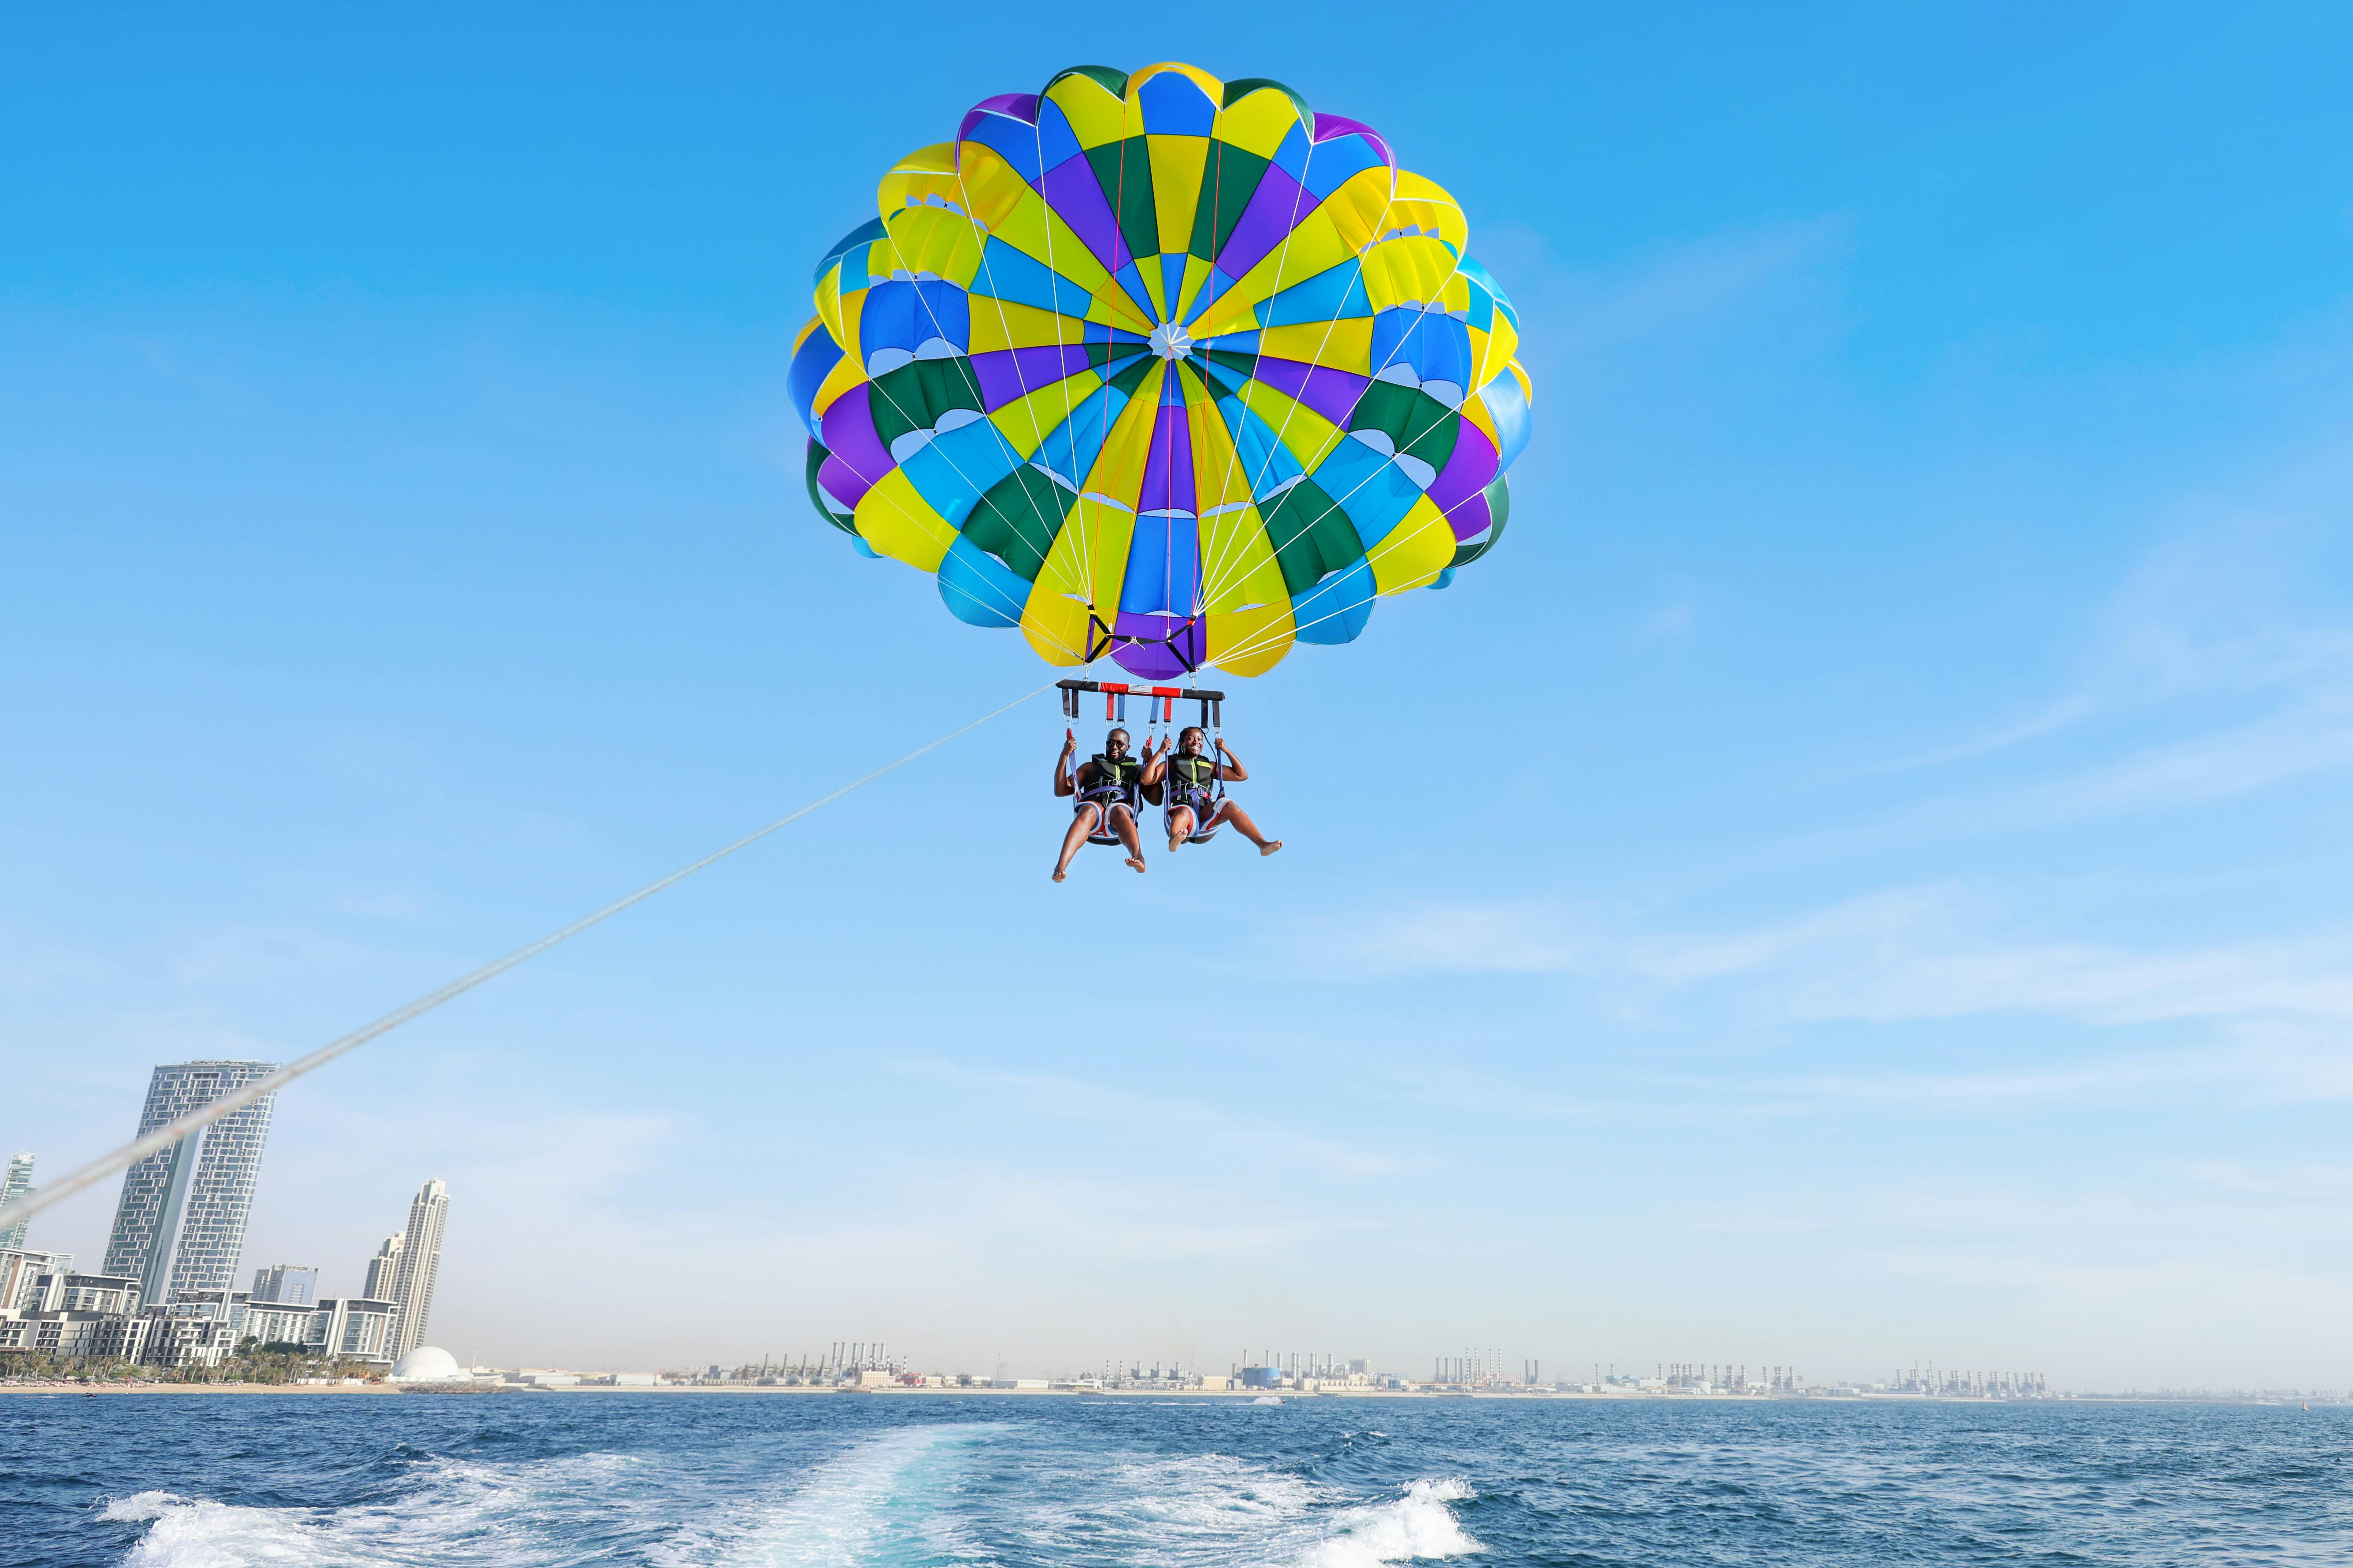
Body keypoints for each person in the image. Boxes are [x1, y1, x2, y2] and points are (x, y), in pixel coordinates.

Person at [1142, 726, 1282, 858]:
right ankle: (1174, 842)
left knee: (1229, 805)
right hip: (1181, 817)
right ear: (1182, 743)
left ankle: (1263, 845)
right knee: (1185, 812)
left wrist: (1226, 750)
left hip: (1206, 819)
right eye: (1191, 738)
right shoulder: (1172, 762)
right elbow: (1146, 780)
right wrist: (1161, 752)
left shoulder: (1209, 766)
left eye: (1200, 739)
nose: (1196, 742)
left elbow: (1242, 775)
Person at [1053, 726, 1152, 881]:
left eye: (1120, 744)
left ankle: (1138, 857)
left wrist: (1150, 761)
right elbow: (1061, 790)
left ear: (1128, 747)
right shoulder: (1091, 767)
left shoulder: (1137, 769)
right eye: (1110, 743)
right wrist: (1064, 755)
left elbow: (1156, 800)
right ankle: (1061, 866)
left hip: (1119, 818)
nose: (1114, 747)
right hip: (1093, 817)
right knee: (1089, 809)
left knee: (1119, 809)